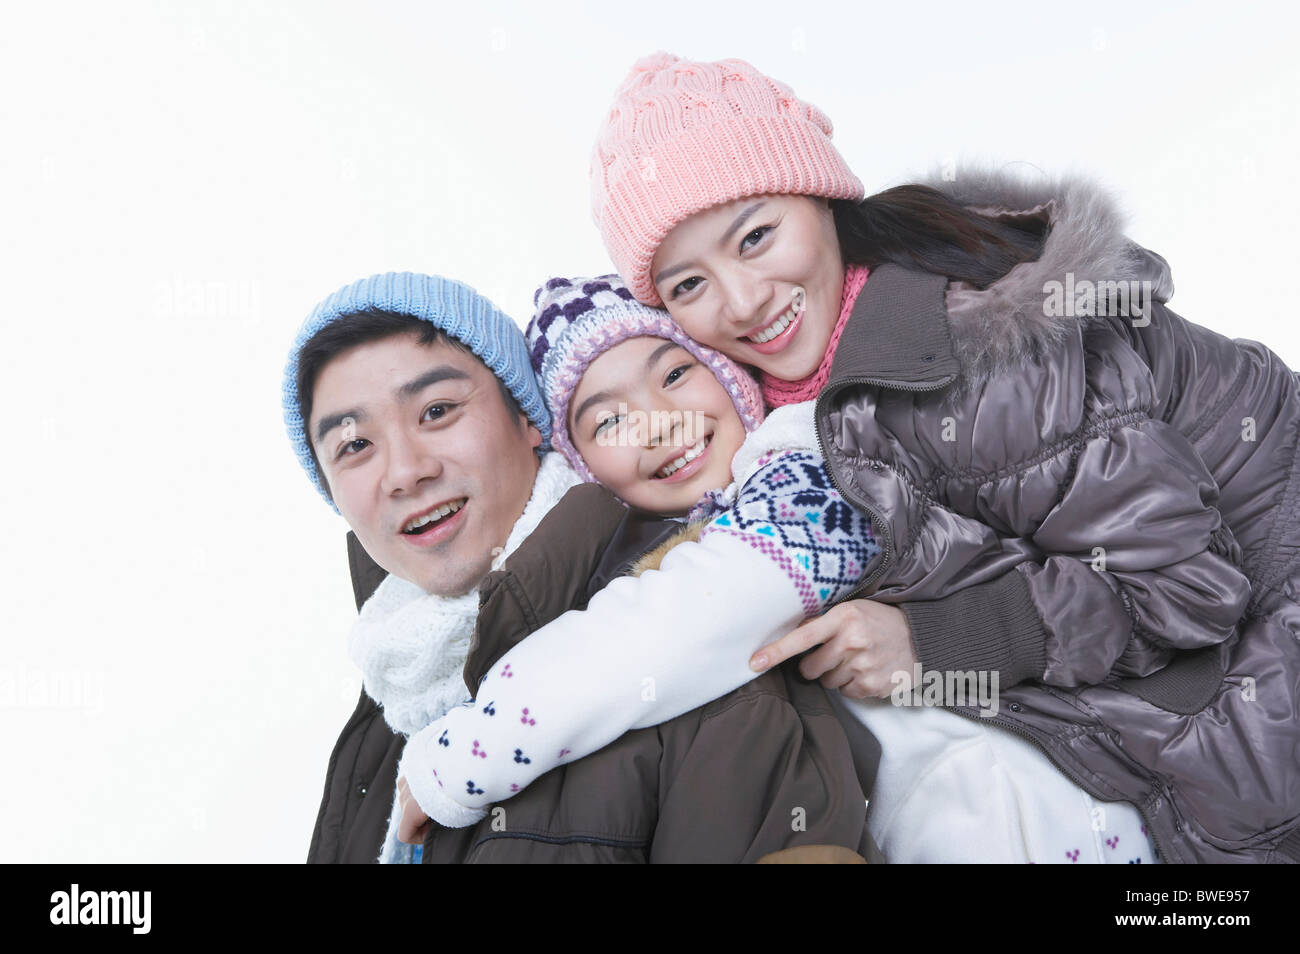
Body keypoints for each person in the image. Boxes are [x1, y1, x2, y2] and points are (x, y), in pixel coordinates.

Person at [579, 51, 1300, 863]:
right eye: (687, 286)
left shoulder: (978, 347)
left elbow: (1187, 588)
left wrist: (931, 645)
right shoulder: (777, 398)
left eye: (756, 236)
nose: (741, 302)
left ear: (821, 196)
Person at [398, 272, 1161, 864]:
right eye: (609, 419)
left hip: (1033, 820)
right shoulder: (656, 550)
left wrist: (458, 761)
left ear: (727, 376)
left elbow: (691, 622)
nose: (662, 422)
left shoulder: (810, 461)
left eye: (674, 377)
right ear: (582, 463)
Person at [283, 271, 877, 863]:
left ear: (529, 420)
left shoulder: (696, 652)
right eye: (355, 446)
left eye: (437, 410)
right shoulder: (388, 707)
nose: (406, 471)